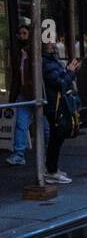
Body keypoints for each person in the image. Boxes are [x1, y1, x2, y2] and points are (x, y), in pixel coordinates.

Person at [40, 42, 80, 184]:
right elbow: (60, 83)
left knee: (56, 136)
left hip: (54, 103)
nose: (53, 44)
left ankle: (52, 168)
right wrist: (70, 72)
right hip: (54, 104)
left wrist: (69, 71)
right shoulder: (47, 62)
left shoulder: (49, 61)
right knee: (56, 136)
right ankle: (51, 170)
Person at [6, 21, 34, 166]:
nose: (22, 36)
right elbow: (17, 77)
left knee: (45, 126)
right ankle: (19, 154)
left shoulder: (32, 52)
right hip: (24, 93)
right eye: (20, 34)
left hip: (35, 93)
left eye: (25, 33)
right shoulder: (18, 54)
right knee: (21, 124)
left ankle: (48, 153)